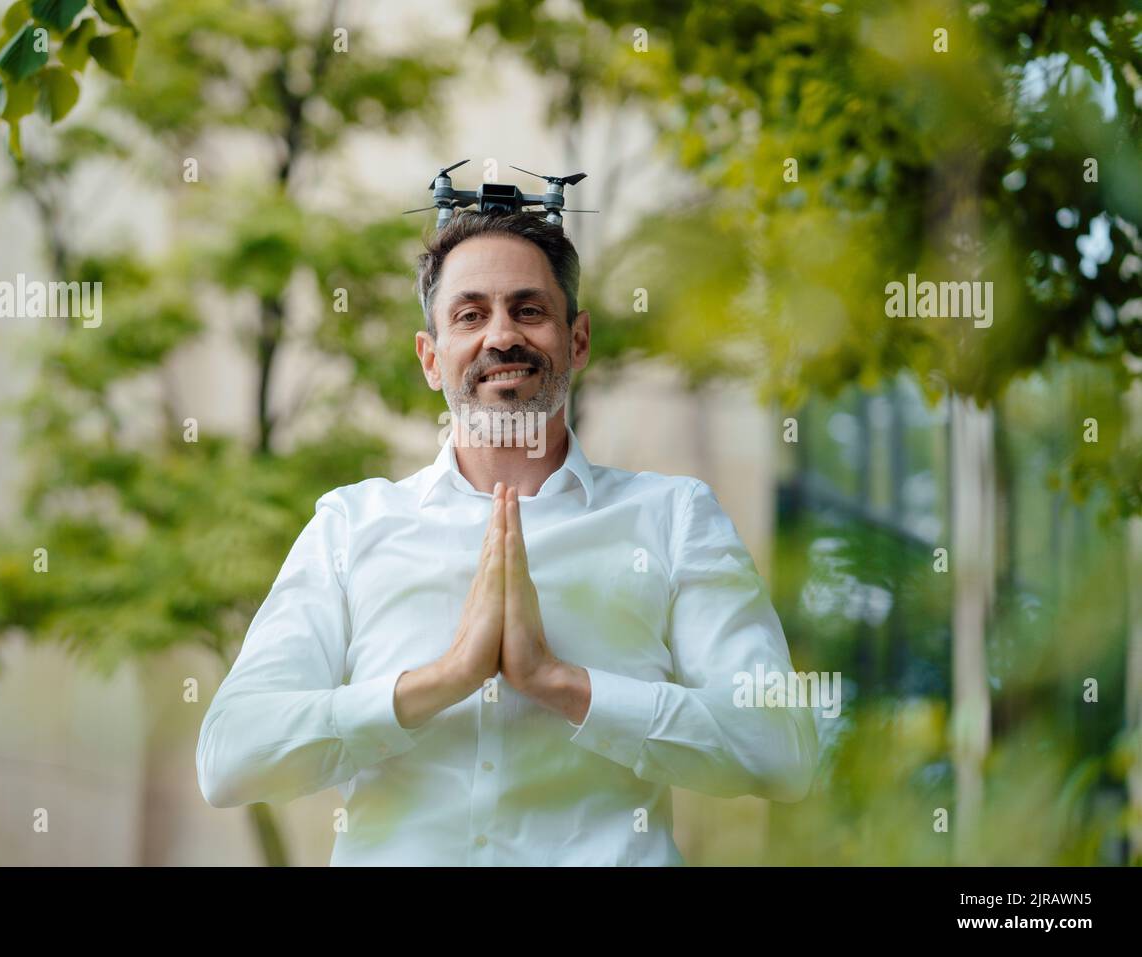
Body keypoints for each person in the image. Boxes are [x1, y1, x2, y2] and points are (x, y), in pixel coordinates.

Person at [196, 210, 817, 865]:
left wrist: (562, 683)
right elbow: (230, 757)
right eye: (469, 314)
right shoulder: (350, 525)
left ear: (577, 342)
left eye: (529, 310)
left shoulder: (674, 518)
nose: (501, 335)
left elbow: (780, 749)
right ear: (431, 359)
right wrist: (442, 679)